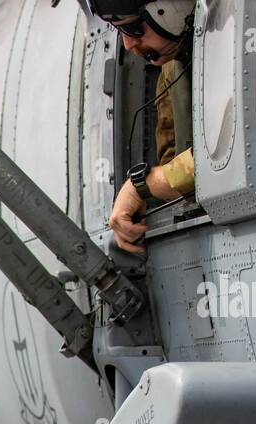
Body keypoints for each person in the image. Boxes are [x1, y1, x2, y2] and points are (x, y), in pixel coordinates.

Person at [87, 0, 197, 252]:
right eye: (120, 32)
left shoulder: (230, 47)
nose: (128, 45)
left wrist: (143, 187)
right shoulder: (172, 70)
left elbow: (226, 161)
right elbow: (178, 166)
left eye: (134, 29)